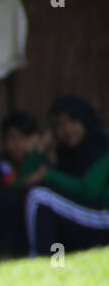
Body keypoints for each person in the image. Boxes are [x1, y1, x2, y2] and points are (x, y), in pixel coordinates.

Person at [22, 95, 109, 257]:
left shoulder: (103, 146)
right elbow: (23, 183)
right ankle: (54, 258)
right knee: (35, 195)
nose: (67, 129)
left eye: (72, 122)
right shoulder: (64, 152)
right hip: (87, 215)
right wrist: (39, 151)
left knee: (39, 196)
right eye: (60, 125)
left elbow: (89, 190)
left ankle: (40, 259)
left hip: (104, 214)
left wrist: (49, 175)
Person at [0, 111, 46, 256]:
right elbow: (16, 186)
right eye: (12, 138)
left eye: (23, 138)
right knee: (9, 197)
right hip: (1, 222)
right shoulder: (1, 162)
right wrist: (34, 159)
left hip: (28, 224)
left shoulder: (42, 160)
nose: (17, 144)